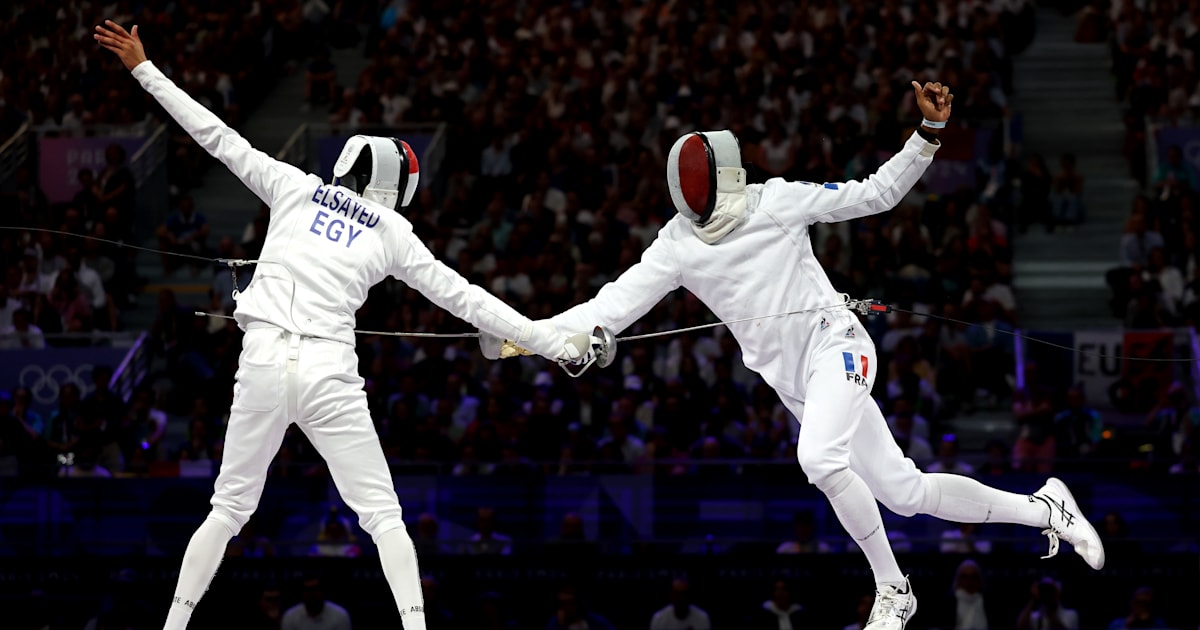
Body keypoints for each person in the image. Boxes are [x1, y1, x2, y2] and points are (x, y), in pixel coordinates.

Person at [532, 81, 1104, 629]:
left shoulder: (777, 201)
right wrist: (532, 335)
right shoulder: (677, 245)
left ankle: (893, 588)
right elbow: (610, 304)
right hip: (799, 386)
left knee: (820, 461)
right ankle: (1046, 508)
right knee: (905, 494)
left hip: (839, 349)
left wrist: (929, 130)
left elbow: (875, 192)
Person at [94, 21, 599, 630]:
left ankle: (173, 627)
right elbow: (471, 302)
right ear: (389, 185)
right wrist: (555, 344)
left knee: (227, 509)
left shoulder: (295, 188)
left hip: (260, 362)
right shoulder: (392, 232)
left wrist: (143, 68)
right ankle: (415, 626)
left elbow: (216, 137)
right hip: (328, 372)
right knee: (383, 515)